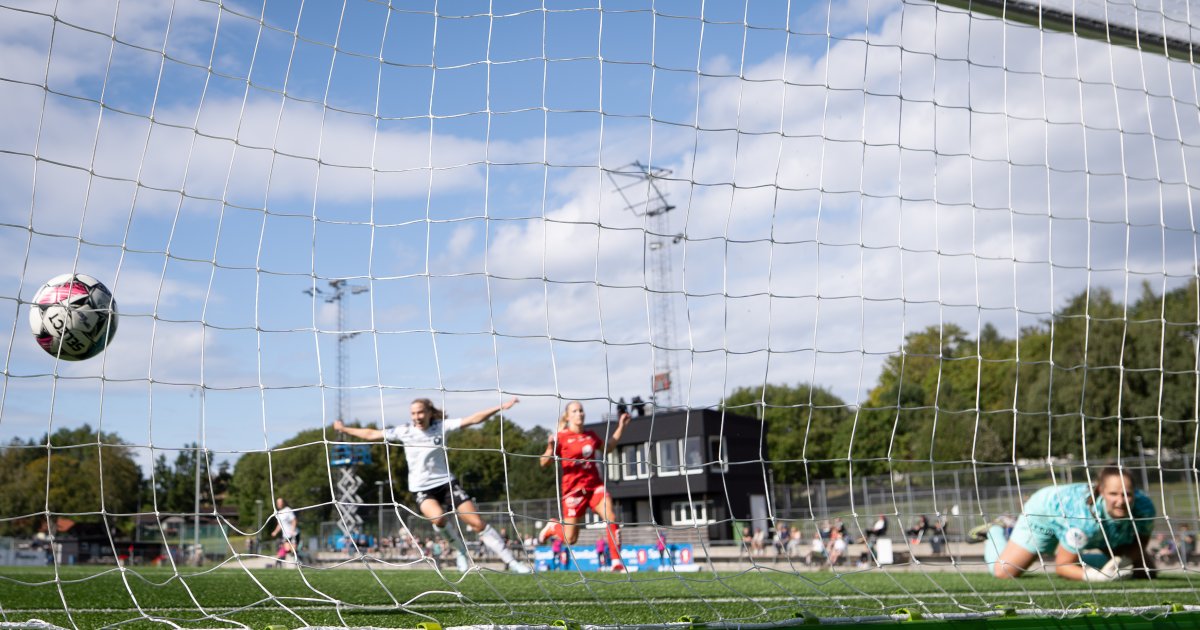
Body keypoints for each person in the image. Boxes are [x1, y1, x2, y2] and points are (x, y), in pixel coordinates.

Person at [335, 396, 531, 574]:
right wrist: (344, 429)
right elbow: (371, 434)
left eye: (420, 412)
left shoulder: (441, 427)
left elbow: (473, 419)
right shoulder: (404, 431)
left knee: (477, 523)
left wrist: (500, 407)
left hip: (446, 483)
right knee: (438, 520)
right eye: (413, 413)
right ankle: (461, 551)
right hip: (422, 488)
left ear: (429, 412)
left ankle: (512, 562)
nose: (417, 416)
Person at [968, 467, 1156, 581]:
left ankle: (1076, 553)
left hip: (1098, 533)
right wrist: (1095, 577)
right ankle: (995, 530)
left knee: (1146, 572)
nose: (1121, 501)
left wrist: (1123, 561)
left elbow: (1139, 545)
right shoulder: (1084, 518)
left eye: (1127, 494)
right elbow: (1062, 567)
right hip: (1045, 514)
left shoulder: (1145, 508)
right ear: (1101, 491)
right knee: (1004, 572)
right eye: (1113, 494)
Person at [540, 401, 631, 572]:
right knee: (570, 538)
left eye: (581, 410)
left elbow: (609, 448)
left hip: (594, 486)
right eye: (575, 411)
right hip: (573, 491)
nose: (579, 413)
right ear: (568, 416)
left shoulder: (591, 436)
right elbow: (543, 462)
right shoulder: (562, 437)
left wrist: (621, 426)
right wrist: (551, 447)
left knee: (611, 515)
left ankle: (616, 562)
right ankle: (553, 527)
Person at [270, 498, 299, 568]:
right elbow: (279, 525)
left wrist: (292, 529)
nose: (279, 504)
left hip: (293, 534)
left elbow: (294, 520)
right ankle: (290, 562)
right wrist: (275, 532)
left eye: (280, 502)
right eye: (277, 502)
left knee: (292, 550)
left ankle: (298, 563)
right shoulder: (278, 513)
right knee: (286, 549)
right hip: (285, 535)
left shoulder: (288, 510)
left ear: (283, 503)